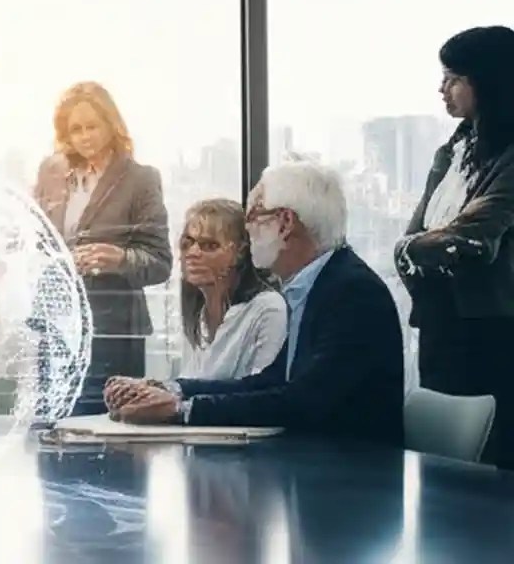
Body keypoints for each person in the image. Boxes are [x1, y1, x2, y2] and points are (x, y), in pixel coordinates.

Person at [105, 161, 404, 445]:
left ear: (285, 223)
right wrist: (172, 390)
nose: (247, 230)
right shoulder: (317, 285)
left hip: (350, 472)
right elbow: (269, 382)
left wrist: (181, 410)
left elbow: (302, 401)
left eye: (254, 216)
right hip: (316, 464)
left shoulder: (351, 291)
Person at [396, 25, 514, 468]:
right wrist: (416, 247)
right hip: (439, 327)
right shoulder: (452, 152)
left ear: (488, 82)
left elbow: (473, 239)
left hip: (490, 334)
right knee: (437, 464)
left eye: (454, 78)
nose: (442, 89)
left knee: (489, 467)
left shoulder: (509, 157)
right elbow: (412, 237)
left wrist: (415, 248)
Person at [32, 81, 171, 414]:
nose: (84, 136)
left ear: (111, 124)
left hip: (113, 333)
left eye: (92, 126)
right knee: (52, 424)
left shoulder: (140, 179)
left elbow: (160, 262)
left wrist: (120, 259)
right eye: (75, 129)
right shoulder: (54, 175)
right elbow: (35, 245)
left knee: (108, 426)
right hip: (58, 327)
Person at [175, 199, 286, 380]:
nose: (192, 253)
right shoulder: (198, 314)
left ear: (240, 253)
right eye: (187, 243)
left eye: (209, 245)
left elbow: (264, 389)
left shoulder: (268, 309)